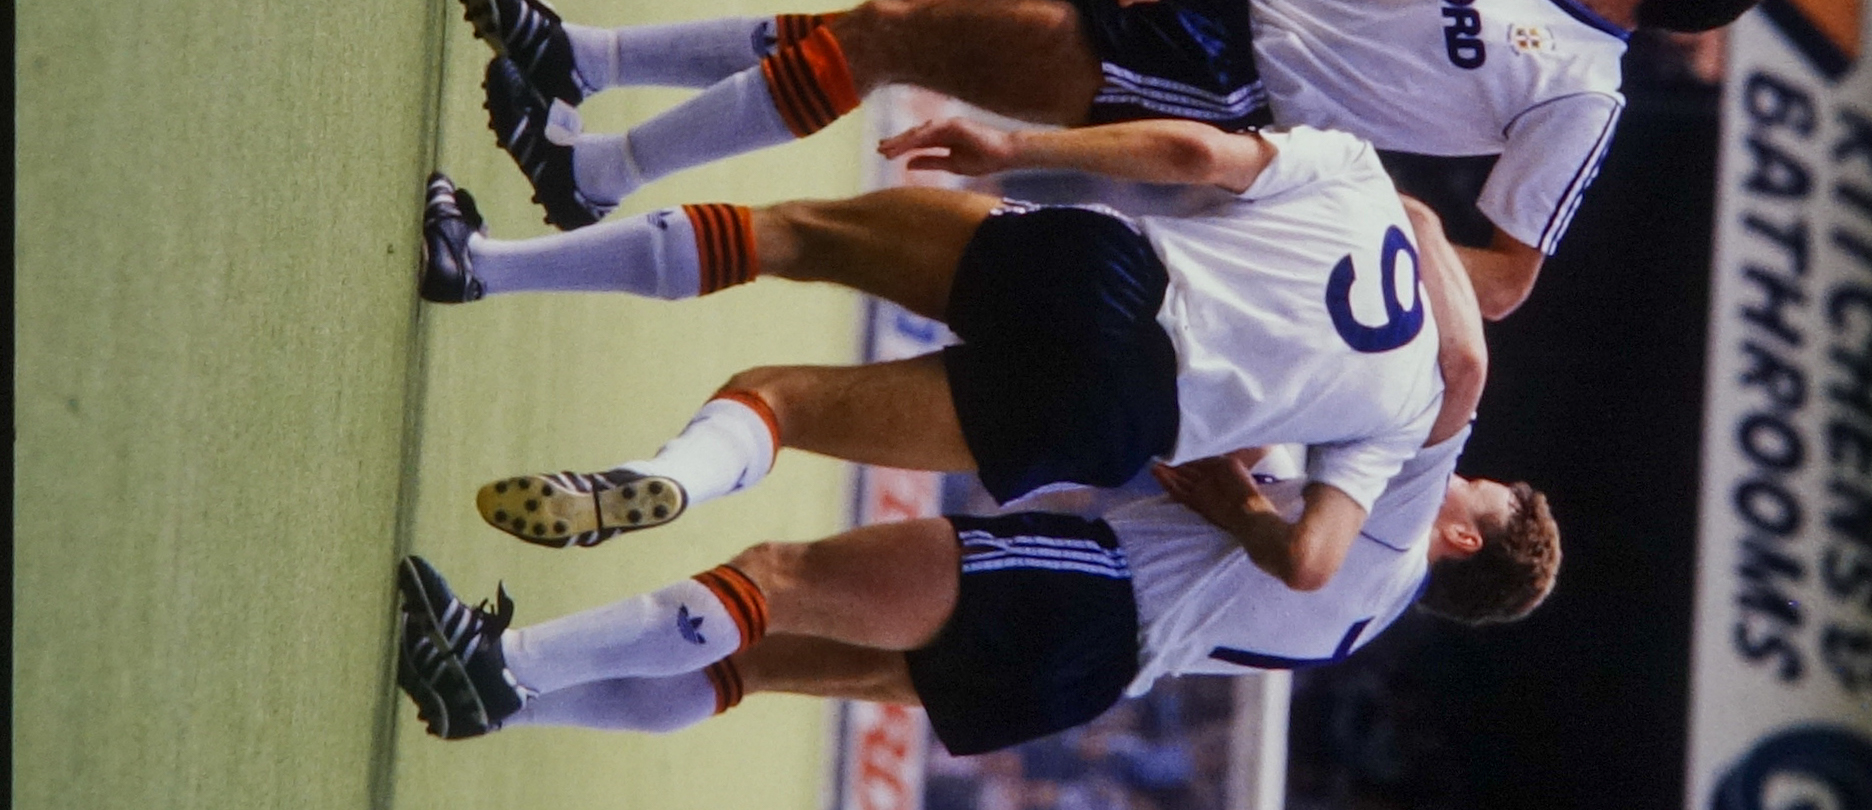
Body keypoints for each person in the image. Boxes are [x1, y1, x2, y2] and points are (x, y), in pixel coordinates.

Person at [454, 0, 1774, 318]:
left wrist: (1392, 234)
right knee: (889, 27)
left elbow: (1503, 278)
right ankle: (584, 72)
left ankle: (596, 161)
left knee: (892, 34)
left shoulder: (1580, 94)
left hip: (1219, 80)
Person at [421, 111, 1488, 547]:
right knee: (781, 405)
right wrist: (1239, 501)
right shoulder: (1404, 409)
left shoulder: (1361, 179)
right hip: (1118, 421)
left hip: (1108, 281)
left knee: (800, 233)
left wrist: (1010, 143)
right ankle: (674, 481)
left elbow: (1196, 160)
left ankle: (487, 266)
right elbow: (1311, 561)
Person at [391, 420, 1559, 750]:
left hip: (1083, 595)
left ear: (1461, 543)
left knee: (773, 580)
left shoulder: (1394, 531)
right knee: (751, 666)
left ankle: (501, 672)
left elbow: (1456, 362)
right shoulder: (1359, 621)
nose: (1466, 476)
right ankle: (504, 704)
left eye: (1484, 493)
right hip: (1078, 677)